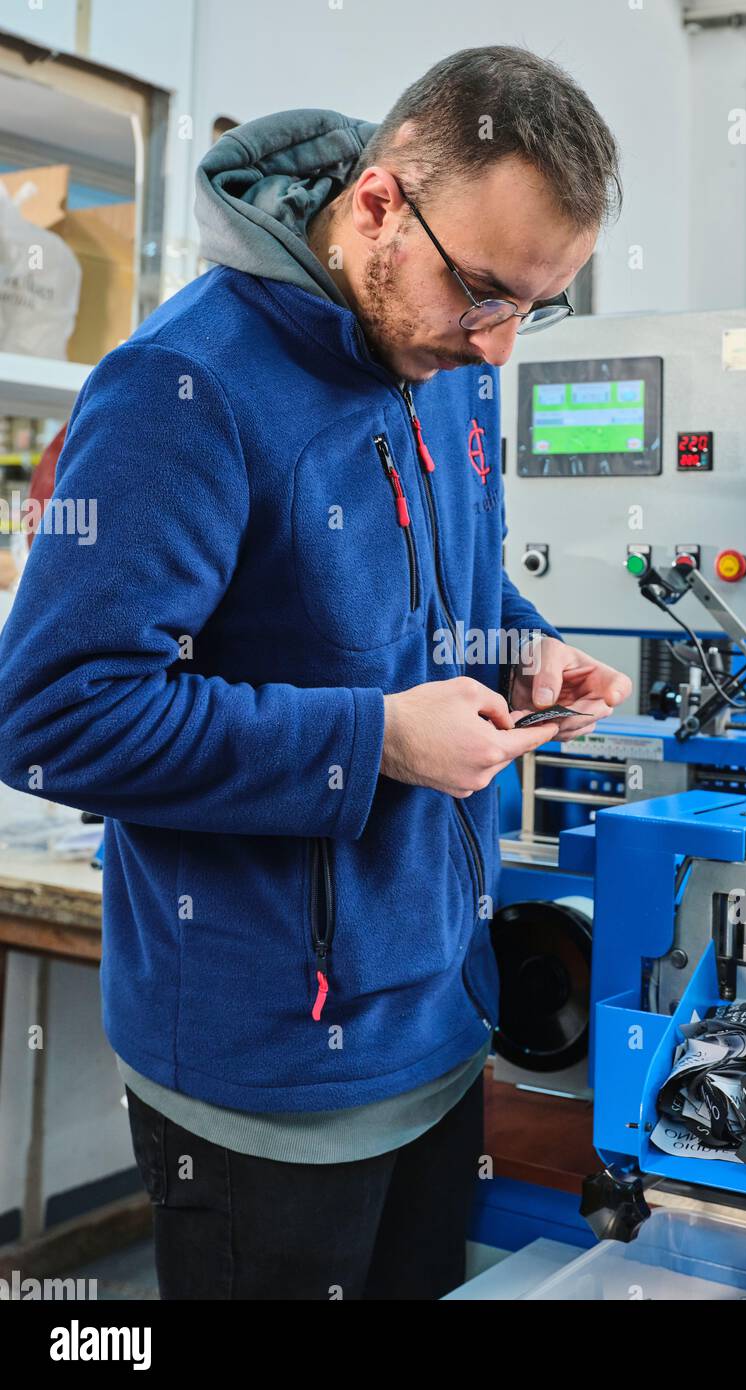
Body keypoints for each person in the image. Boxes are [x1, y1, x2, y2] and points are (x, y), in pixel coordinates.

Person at [0, 45, 631, 1300]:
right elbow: (55, 717)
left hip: (443, 1032)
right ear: (381, 205)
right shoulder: (184, 390)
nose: (500, 348)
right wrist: (378, 742)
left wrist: (527, 644)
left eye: (535, 307)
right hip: (268, 1082)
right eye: (487, 293)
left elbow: (456, 593)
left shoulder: (441, 363)